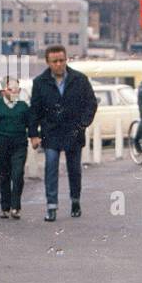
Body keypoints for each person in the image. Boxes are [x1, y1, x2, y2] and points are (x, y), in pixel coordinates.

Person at [28, 45, 98, 222]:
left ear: (66, 59)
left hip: (73, 131)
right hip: (51, 132)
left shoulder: (80, 79)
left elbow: (91, 103)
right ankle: (51, 206)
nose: (59, 64)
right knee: (51, 167)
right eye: (55, 61)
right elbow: (34, 110)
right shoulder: (39, 82)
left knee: (74, 169)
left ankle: (75, 201)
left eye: (62, 60)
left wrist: (83, 123)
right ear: (48, 62)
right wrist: (33, 134)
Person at [0, 77, 30, 219]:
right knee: (4, 175)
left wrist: (34, 136)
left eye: (16, 89)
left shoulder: (23, 107)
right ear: (3, 90)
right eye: (10, 88)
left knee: (18, 174)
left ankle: (15, 207)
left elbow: (31, 123)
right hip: (1, 144)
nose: (14, 91)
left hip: (19, 144)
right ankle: (5, 207)